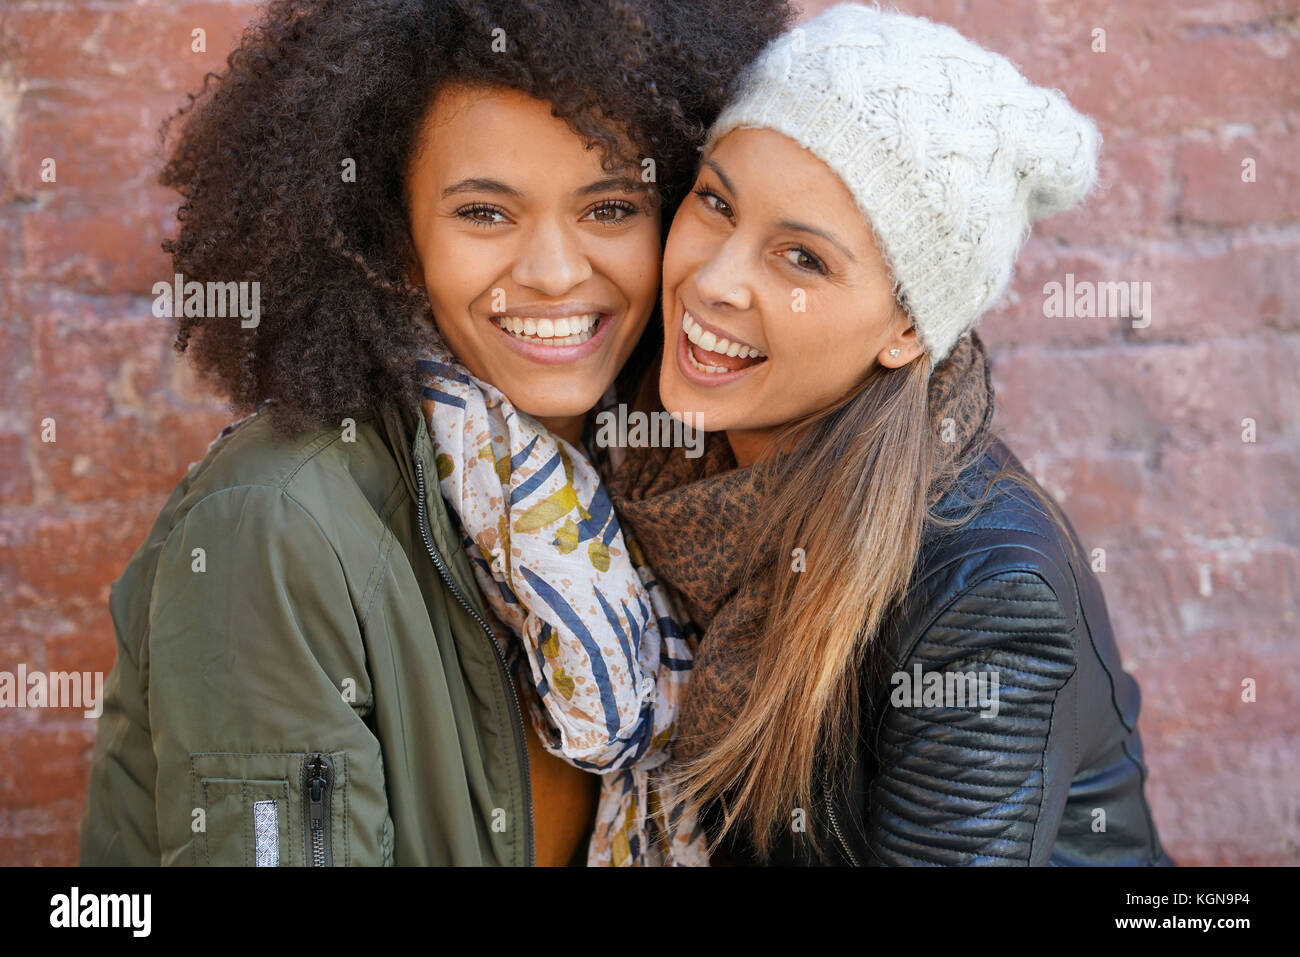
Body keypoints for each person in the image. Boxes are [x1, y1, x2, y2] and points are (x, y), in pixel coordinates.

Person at [79, 0, 792, 867]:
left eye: (609, 207)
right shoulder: (275, 525)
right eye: (485, 214)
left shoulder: (668, 495)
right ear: (393, 238)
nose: (557, 272)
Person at [606, 3, 1175, 866]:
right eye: (717, 201)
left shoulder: (982, 595)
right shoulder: (644, 442)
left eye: (802, 258)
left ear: (908, 330)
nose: (714, 282)